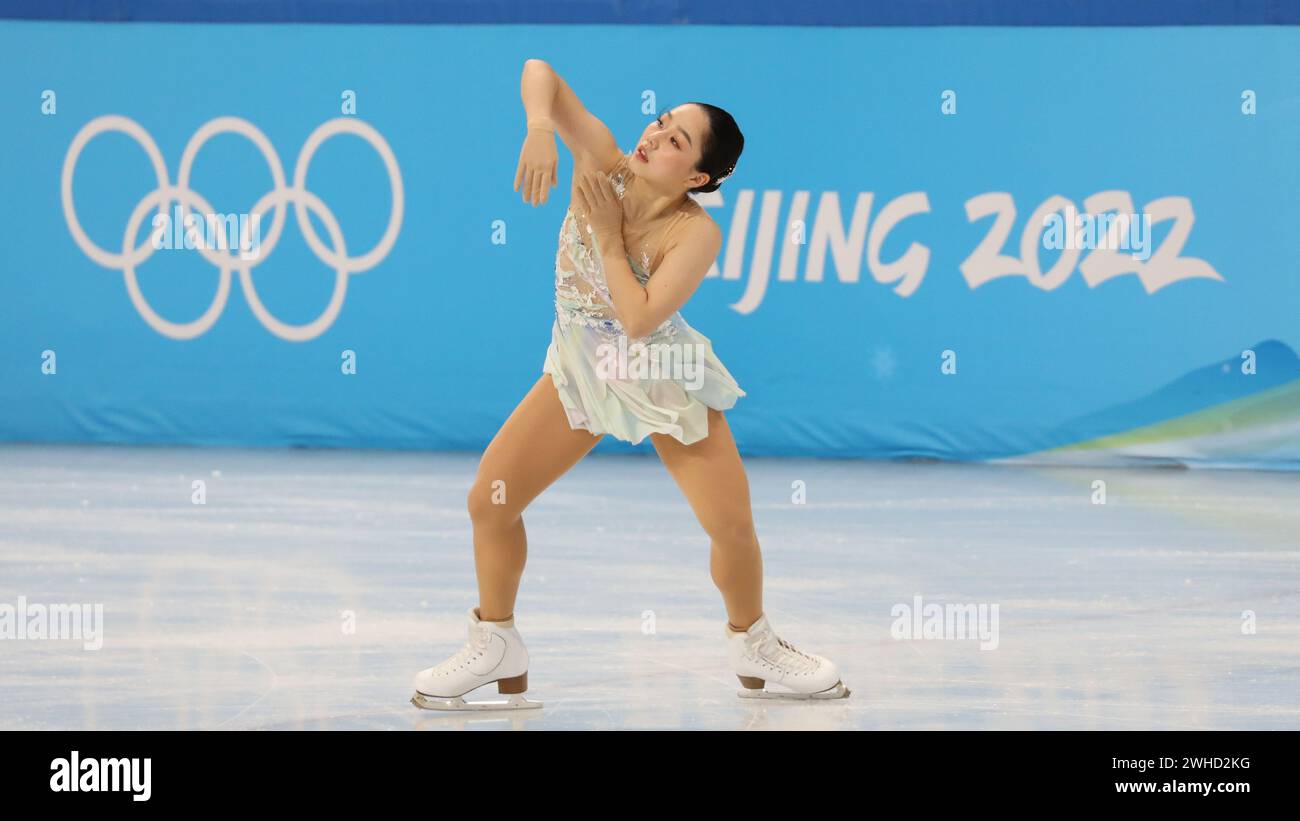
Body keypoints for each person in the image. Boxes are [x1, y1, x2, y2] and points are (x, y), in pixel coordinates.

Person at [411, 59, 849, 710]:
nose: (655, 136)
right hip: (583, 370)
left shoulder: (696, 233)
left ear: (699, 176)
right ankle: (497, 640)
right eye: (661, 121)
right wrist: (538, 126)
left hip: (661, 373)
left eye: (676, 141)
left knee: (731, 525)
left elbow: (641, 320)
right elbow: (542, 74)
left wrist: (608, 241)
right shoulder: (601, 161)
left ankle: (752, 641)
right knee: (490, 501)